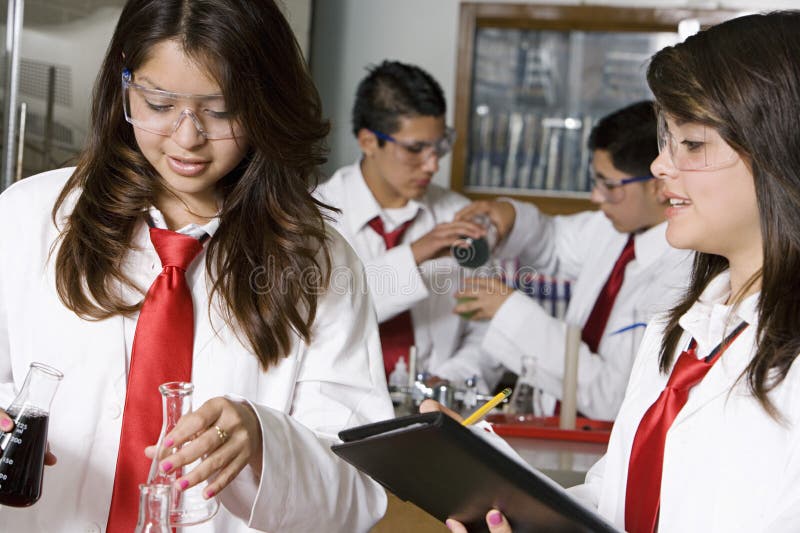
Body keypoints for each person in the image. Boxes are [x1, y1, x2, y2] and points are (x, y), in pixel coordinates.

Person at [0, 1, 393, 531]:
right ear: (124, 85)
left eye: (222, 110)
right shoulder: (28, 219)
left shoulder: (317, 261)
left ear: (265, 103)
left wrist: (264, 441)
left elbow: (358, 494)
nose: (187, 137)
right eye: (159, 103)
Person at [447, 10, 800, 533]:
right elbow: (617, 498)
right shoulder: (679, 330)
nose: (661, 166)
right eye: (665, 140)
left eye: (692, 143)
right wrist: (501, 494)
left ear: (780, 150)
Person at [454, 101, 691, 420]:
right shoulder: (613, 229)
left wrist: (511, 312)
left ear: (660, 185)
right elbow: (553, 242)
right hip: (551, 427)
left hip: (601, 441)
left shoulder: (684, 273)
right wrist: (509, 215)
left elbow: (611, 397)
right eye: (595, 181)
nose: (596, 197)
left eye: (609, 185)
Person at [315, 60, 503, 393]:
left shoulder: (459, 216)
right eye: (415, 149)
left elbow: (488, 328)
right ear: (368, 141)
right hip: (340, 407)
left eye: (439, 146)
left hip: (436, 409)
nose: (433, 165)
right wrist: (414, 255)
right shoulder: (314, 217)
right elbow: (322, 316)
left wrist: (453, 380)